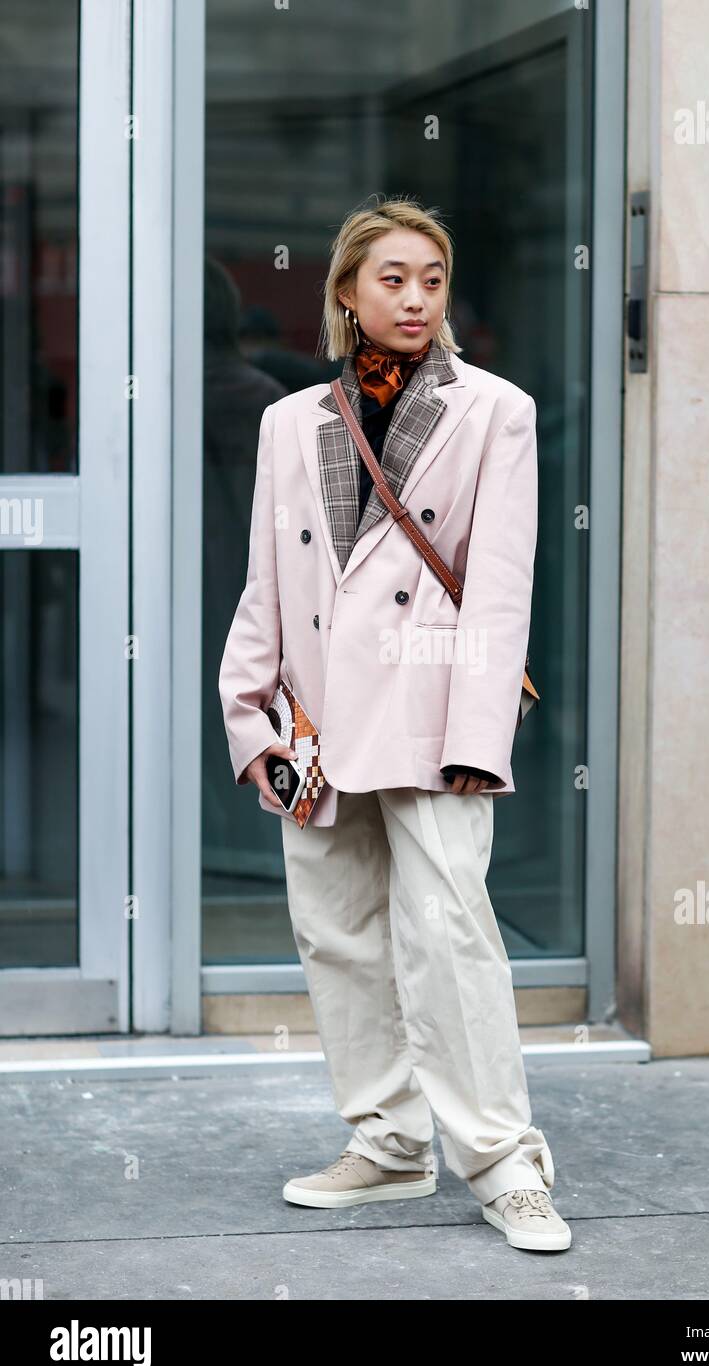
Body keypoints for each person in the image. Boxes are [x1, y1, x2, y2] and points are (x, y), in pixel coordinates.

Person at [218, 197, 570, 1253]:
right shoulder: (293, 420)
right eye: (392, 278)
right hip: (319, 719)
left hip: (430, 713)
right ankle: (387, 1142)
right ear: (345, 292)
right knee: (338, 933)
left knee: (451, 933)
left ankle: (507, 1163)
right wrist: (252, 719)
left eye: (431, 278)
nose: (415, 297)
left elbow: (500, 589)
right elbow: (267, 586)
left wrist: (476, 739)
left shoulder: (493, 410)